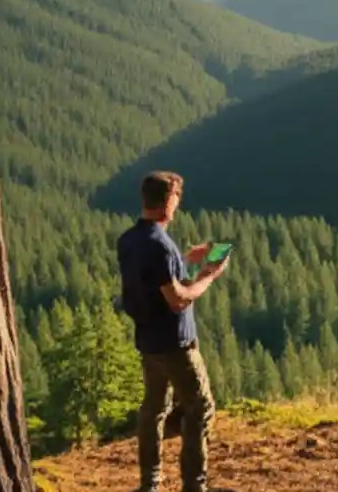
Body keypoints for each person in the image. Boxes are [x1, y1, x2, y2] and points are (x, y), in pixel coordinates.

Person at [117, 170, 229, 492]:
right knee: (200, 408)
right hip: (176, 344)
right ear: (168, 202)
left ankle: (149, 484)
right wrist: (208, 275)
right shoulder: (161, 245)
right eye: (176, 199)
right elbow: (177, 300)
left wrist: (184, 261)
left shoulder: (130, 240)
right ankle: (195, 486)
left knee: (153, 409)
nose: (177, 206)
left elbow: (152, 280)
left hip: (148, 341)